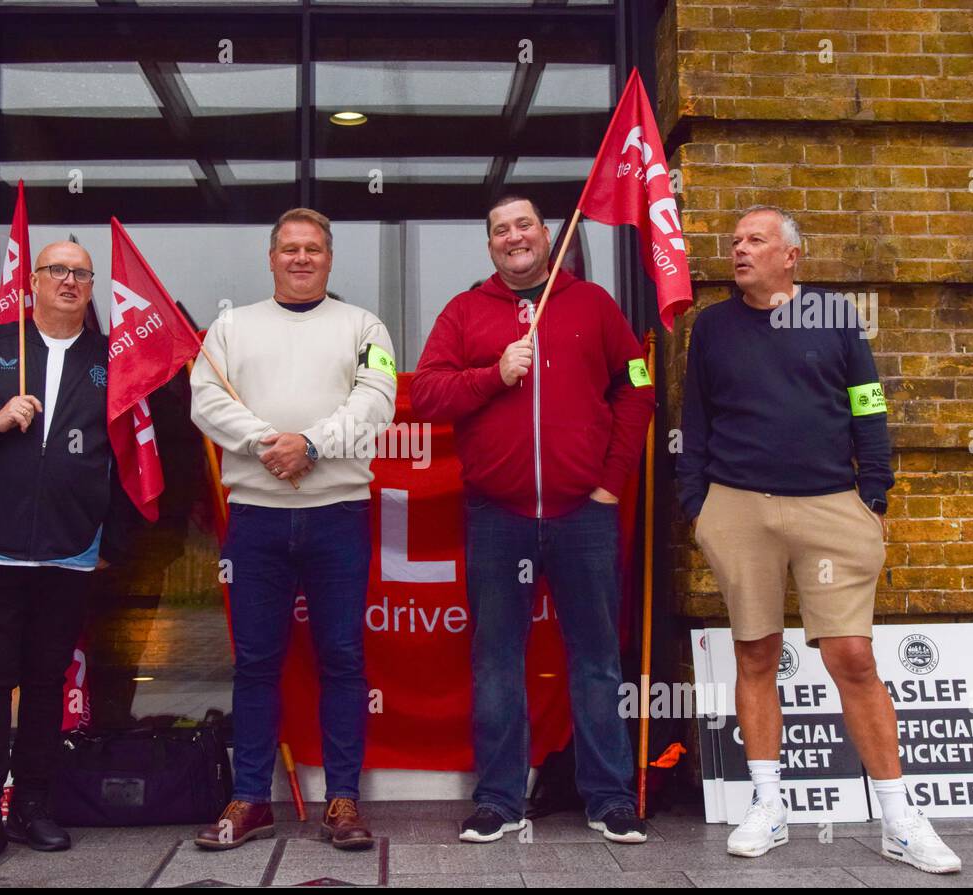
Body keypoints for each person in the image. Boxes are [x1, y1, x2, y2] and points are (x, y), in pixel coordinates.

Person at [677, 204, 961, 873]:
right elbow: (694, 418)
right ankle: (768, 806)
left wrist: (876, 490)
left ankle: (898, 817)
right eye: (736, 240)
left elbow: (868, 403)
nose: (739, 249)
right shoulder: (712, 327)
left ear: (790, 256)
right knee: (755, 653)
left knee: (851, 656)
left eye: (756, 240)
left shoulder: (833, 317)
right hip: (739, 506)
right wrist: (699, 504)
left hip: (831, 506)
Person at [411, 193, 655, 844]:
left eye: (524, 225)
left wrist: (611, 483)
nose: (513, 236)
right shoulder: (465, 312)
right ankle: (499, 799)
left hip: (584, 514)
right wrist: (494, 373)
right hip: (499, 515)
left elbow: (638, 383)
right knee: (496, 662)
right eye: (500, 229)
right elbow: (429, 392)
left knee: (598, 659)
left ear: (546, 235)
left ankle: (609, 798)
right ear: (490, 245)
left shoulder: (594, 306)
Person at [189, 208, 397, 850]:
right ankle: (250, 800)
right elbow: (206, 399)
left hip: (338, 517)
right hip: (257, 519)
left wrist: (309, 443)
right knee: (255, 663)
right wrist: (265, 444)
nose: (301, 258)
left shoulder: (365, 325)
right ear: (271, 258)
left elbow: (376, 402)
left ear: (329, 259)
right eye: (289, 249)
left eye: (313, 249)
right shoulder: (230, 327)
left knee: (341, 658)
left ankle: (342, 802)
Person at [0, 241, 134, 870]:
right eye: (57, 271)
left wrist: (110, 543)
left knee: (46, 684)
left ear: (92, 287)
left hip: (70, 552)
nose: (69, 281)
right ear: (33, 282)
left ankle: (33, 808)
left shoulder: (110, 361)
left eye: (81, 273)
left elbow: (133, 460)